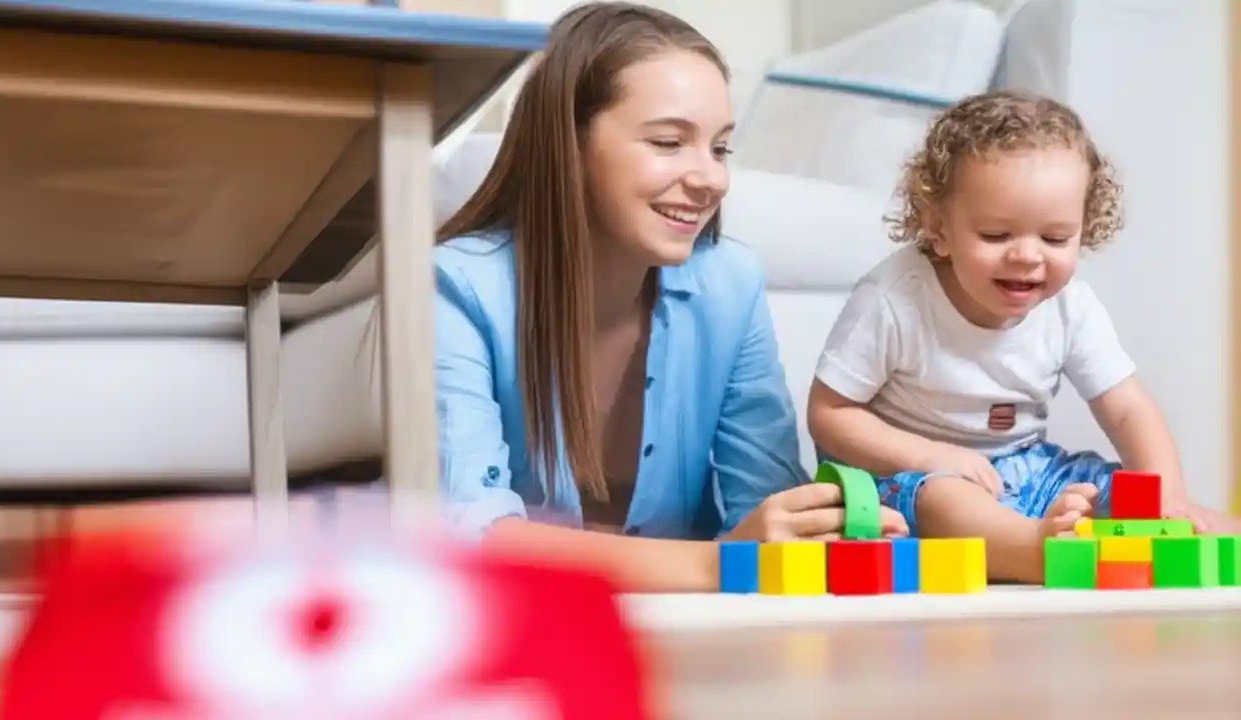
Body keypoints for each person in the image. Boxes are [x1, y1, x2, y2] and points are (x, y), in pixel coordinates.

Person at [432, 1, 907, 593]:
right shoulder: (459, 286)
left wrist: (822, 530)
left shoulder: (730, 285)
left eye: (720, 148)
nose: (711, 177)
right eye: (668, 142)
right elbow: (471, 536)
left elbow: (763, 500)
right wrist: (721, 562)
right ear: (569, 144)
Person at [808, 89, 1238, 584]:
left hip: (1029, 470)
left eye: (1055, 239)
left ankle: (1199, 539)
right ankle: (1034, 551)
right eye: (996, 236)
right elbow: (829, 413)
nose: (1027, 255)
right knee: (946, 500)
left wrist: (1168, 496)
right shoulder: (895, 299)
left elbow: (1127, 408)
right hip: (911, 476)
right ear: (939, 227)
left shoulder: (1070, 305)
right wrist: (933, 456)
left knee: (1130, 493)